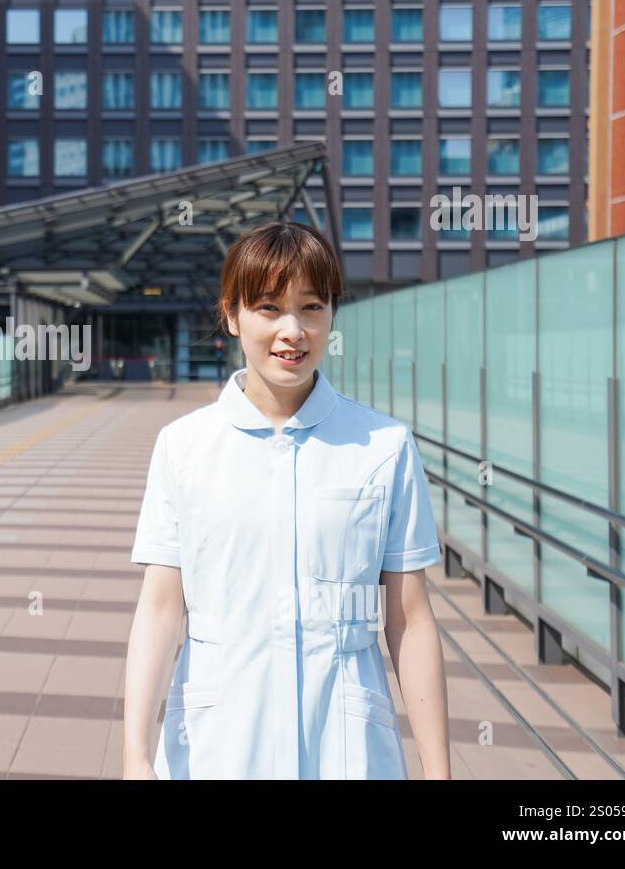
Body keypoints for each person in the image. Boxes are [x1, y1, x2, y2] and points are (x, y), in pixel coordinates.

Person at [122, 221, 451, 780]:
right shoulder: (184, 447)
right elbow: (159, 606)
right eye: (269, 308)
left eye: (312, 307)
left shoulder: (383, 446)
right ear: (232, 316)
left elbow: (409, 618)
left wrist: (438, 771)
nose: (292, 331)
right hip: (216, 743)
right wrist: (134, 756)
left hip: (346, 746)